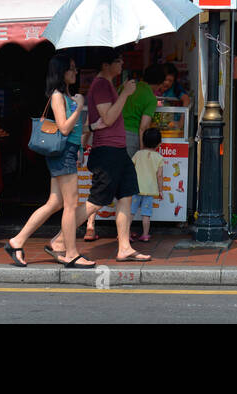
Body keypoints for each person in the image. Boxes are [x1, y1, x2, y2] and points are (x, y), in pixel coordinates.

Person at [1, 54, 93, 268]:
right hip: (63, 154)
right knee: (70, 205)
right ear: (61, 72)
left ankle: (17, 241)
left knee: (55, 203)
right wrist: (79, 108)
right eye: (71, 68)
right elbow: (63, 128)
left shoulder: (67, 95)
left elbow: (75, 130)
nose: (75, 72)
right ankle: (70, 253)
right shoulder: (58, 95)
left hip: (68, 152)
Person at [68, 48, 151, 263]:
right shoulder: (102, 85)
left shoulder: (107, 85)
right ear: (106, 64)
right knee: (96, 201)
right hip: (107, 151)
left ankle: (124, 247)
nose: (122, 64)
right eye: (118, 61)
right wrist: (125, 94)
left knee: (126, 195)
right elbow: (109, 118)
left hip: (117, 150)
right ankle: (60, 238)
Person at [122, 63, 175, 157]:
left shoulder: (125, 87)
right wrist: (143, 151)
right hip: (131, 137)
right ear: (159, 83)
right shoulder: (151, 98)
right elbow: (144, 127)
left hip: (114, 133)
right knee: (129, 170)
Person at [130, 127, 165, 243]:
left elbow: (131, 168)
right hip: (150, 191)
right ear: (159, 143)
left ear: (143, 141)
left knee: (130, 212)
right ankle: (145, 235)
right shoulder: (159, 158)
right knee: (146, 214)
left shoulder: (138, 154)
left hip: (135, 189)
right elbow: (159, 176)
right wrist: (161, 190)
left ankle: (125, 234)